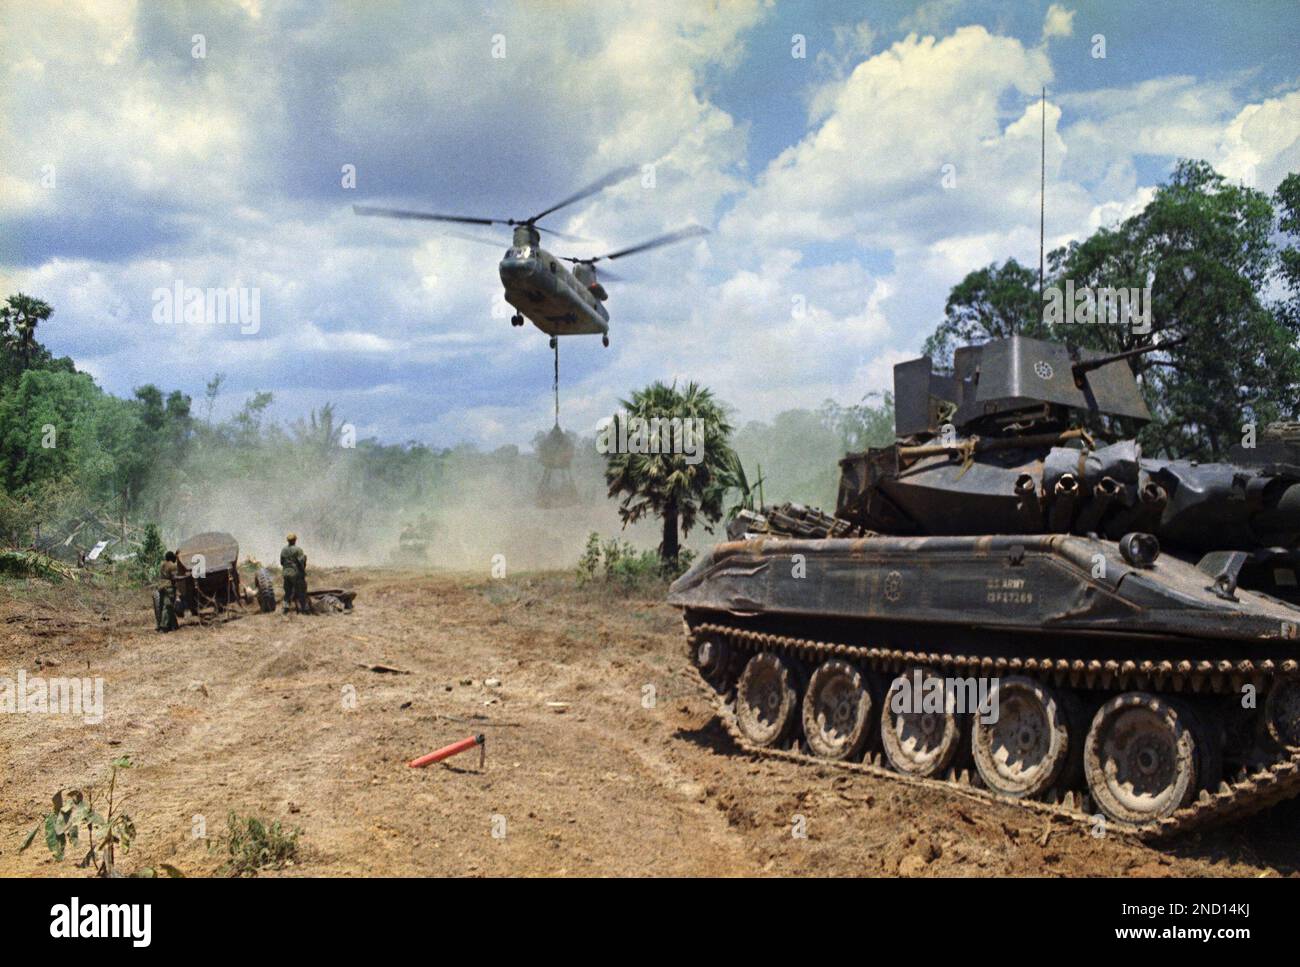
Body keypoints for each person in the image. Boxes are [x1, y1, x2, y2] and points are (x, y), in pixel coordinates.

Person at [280, 533, 310, 614]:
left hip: (286, 573)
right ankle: (305, 609)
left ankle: (285, 608)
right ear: (295, 540)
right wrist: (303, 571)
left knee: (287, 592)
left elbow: (282, 562)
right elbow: (301, 562)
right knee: (302, 591)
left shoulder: (283, 550)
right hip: (296, 573)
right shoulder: (298, 550)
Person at [155, 551, 179, 632]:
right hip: (169, 587)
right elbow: (174, 577)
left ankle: (174, 625)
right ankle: (163, 627)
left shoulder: (162, 564)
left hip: (161, 586)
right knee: (168, 607)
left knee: (165, 606)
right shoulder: (172, 565)